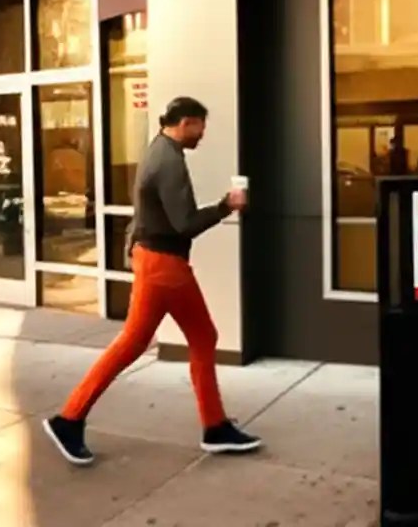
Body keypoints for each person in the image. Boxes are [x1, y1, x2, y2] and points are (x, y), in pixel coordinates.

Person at [44, 96, 259, 466]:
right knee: (198, 336)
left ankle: (72, 418)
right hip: (165, 267)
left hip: (151, 260)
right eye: (200, 126)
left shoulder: (156, 149)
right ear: (186, 122)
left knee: (137, 342)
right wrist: (227, 205)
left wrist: (133, 249)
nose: (203, 134)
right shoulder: (170, 161)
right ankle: (213, 427)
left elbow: (143, 211)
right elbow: (185, 223)